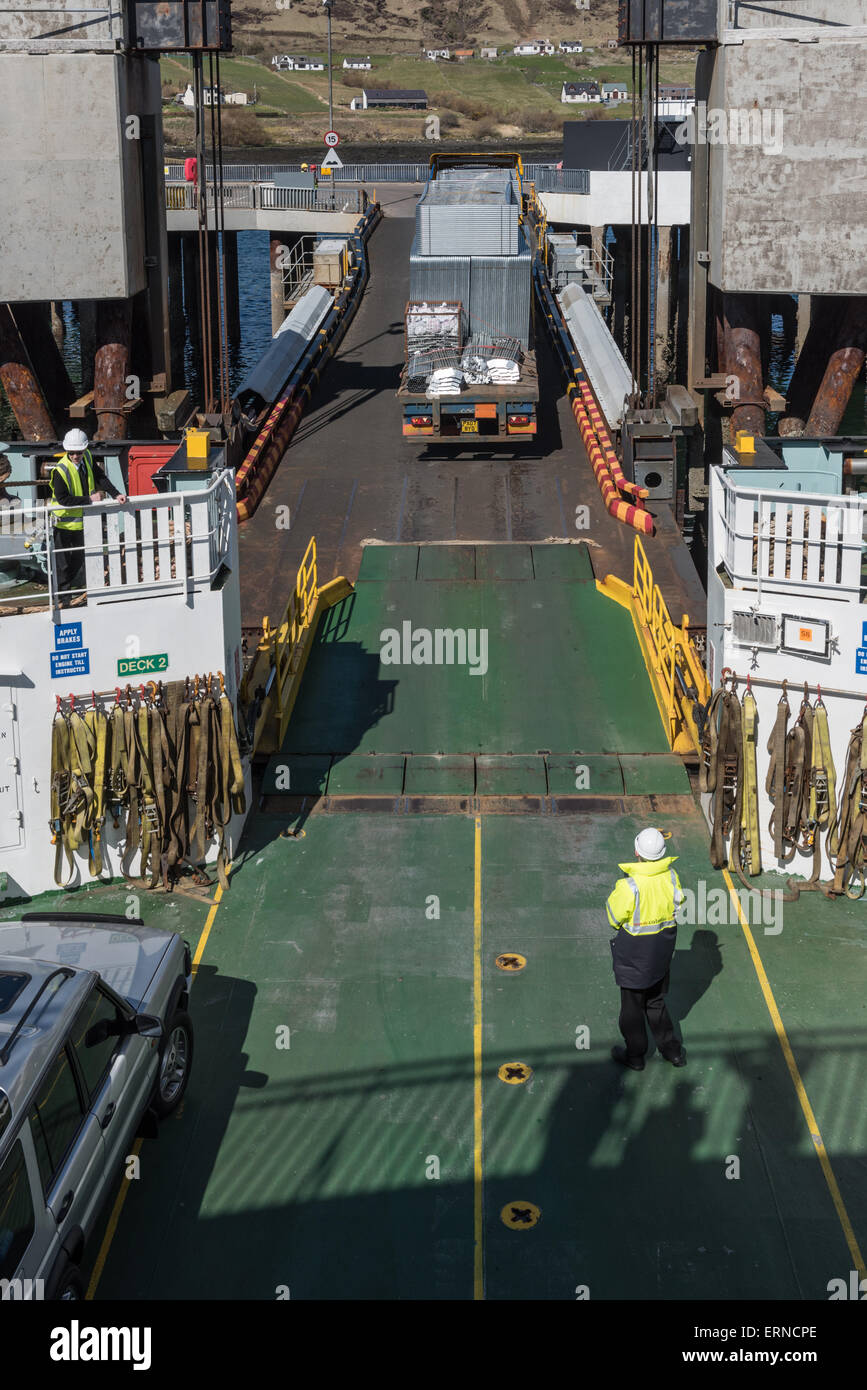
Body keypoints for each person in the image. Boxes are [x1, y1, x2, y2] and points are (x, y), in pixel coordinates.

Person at [605, 826, 687, 1071]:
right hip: (660, 953)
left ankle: (636, 1056)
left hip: (634, 956)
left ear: (636, 852)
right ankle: (672, 1052)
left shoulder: (629, 886)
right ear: (662, 854)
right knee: (656, 1001)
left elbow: (613, 918)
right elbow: (678, 903)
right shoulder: (671, 876)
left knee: (631, 1008)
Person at [48, 429, 127, 599]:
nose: (76, 456)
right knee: (62, 563)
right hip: (62, 523)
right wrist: (89, 500)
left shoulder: (88, 457)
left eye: (79, 452)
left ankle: (69, 590)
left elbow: (100, 477)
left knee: (79, 557)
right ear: (67, 451)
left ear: (85, 450)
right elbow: (63, 499)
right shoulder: (60, 471)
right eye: (72, 453)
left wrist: (116, 494)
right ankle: (63, 598)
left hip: (83, 522)